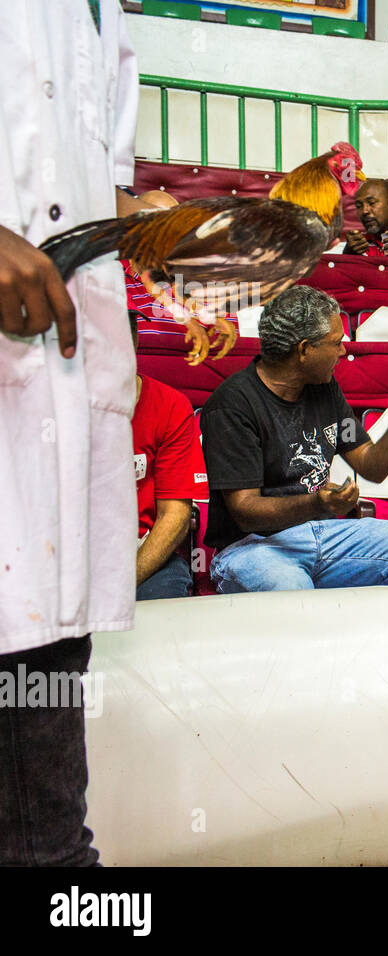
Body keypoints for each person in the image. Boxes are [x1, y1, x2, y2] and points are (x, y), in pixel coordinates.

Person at [0, 0, 141, 866]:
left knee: (47, 822)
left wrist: (158, 233)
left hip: (61, 416)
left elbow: (97, 188)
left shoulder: (105, 14)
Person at [199, 285, 388, 591]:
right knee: (292, 589)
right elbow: (245, 511)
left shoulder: (324, 389)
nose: (343, 351)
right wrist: (318, 503)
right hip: (251, 547)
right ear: (304, 350)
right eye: (336, 343)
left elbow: (373, 466)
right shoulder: (233, 405)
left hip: (323, 535)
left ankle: (387, 638)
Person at [130, 313, 208, 600]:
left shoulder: (169, 406)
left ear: (134, 340)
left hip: (141, 551)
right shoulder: (46, 404)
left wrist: (120, 584)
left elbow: (175, 514)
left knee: (165, 604)